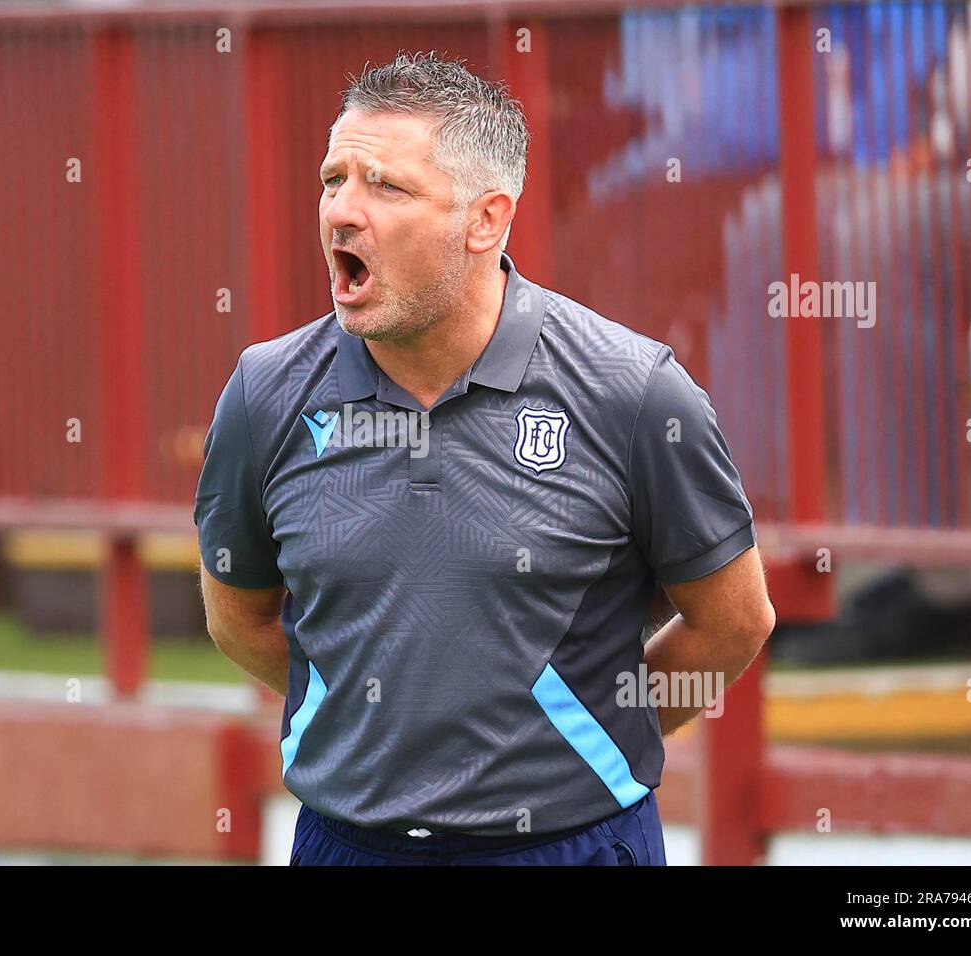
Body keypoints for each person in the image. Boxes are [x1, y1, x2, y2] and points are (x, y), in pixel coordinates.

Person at [194, 52, 774, 866]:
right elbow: (239, 619)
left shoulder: (633, 394)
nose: (342, 213)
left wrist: (588, 732)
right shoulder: (265, 395)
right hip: (344, 845)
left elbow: (732, 620)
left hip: (575, 848)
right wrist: (373, 724)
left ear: (486, 220)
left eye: (386, 187)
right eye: (334, 179)